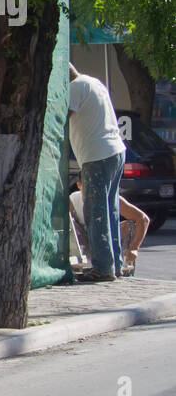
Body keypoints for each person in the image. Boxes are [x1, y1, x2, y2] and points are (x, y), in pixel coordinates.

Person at [67, 64, 126, 281]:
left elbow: (62, 118)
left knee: (96, 212)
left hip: (97, 155)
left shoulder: (75, 87)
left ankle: (103, 268)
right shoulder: (94, 82)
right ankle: (115, 264)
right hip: (115, 151)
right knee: (110, 210)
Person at [69, 178, 149, 276]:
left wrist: (134, 248)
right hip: (86, 243)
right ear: (79, 185)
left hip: (108, 241)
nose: (92, 191)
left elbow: (143, 219)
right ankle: (82, 267)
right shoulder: (73, 199)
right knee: (70, 224)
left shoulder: (113, 199)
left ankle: (122, 268)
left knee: (129, 226)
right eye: (87, 187)